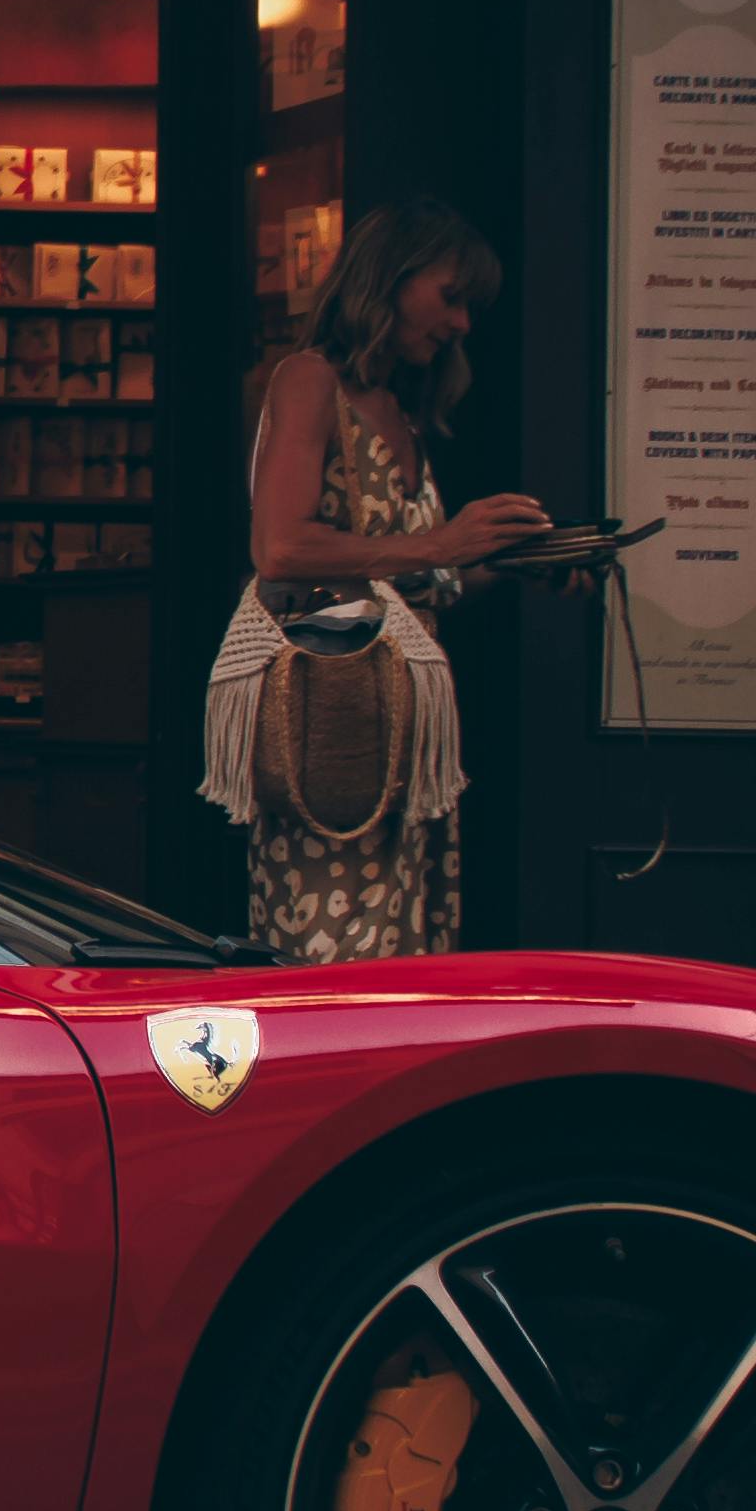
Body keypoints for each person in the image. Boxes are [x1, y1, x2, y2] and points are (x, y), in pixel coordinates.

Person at [201, 198, 549, 961]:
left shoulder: (403, 408)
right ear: (389, 279)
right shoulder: (307, 381)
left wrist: (520, 568)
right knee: (329, 958)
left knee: (400, 964)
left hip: (404, 759)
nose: (460, 324)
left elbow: (413, 583)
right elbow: (282, 548)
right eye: (450, 297)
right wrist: (438, 543)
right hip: (334, 739)